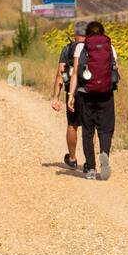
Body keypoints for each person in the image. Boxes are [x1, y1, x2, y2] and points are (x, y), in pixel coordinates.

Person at [67, 21, 120, 180]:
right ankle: (104, 153)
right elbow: (115, 70)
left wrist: (71, 95)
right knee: (105, 129)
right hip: (105, 95)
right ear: (103, 33)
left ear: (87, 34)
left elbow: (75, 73)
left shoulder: (80, 47)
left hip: (85, 94)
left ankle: (90, 168)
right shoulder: (110, 47)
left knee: (88, 132)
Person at [51, 21, 87, 169]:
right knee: (89, 128)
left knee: (72, 125)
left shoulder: (68, 49)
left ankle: (72, 158)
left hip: (73, 93)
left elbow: (60, 75)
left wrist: (55, 98)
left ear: (75, 34)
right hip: (91, 93)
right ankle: (89, 163)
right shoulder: (95, 48)